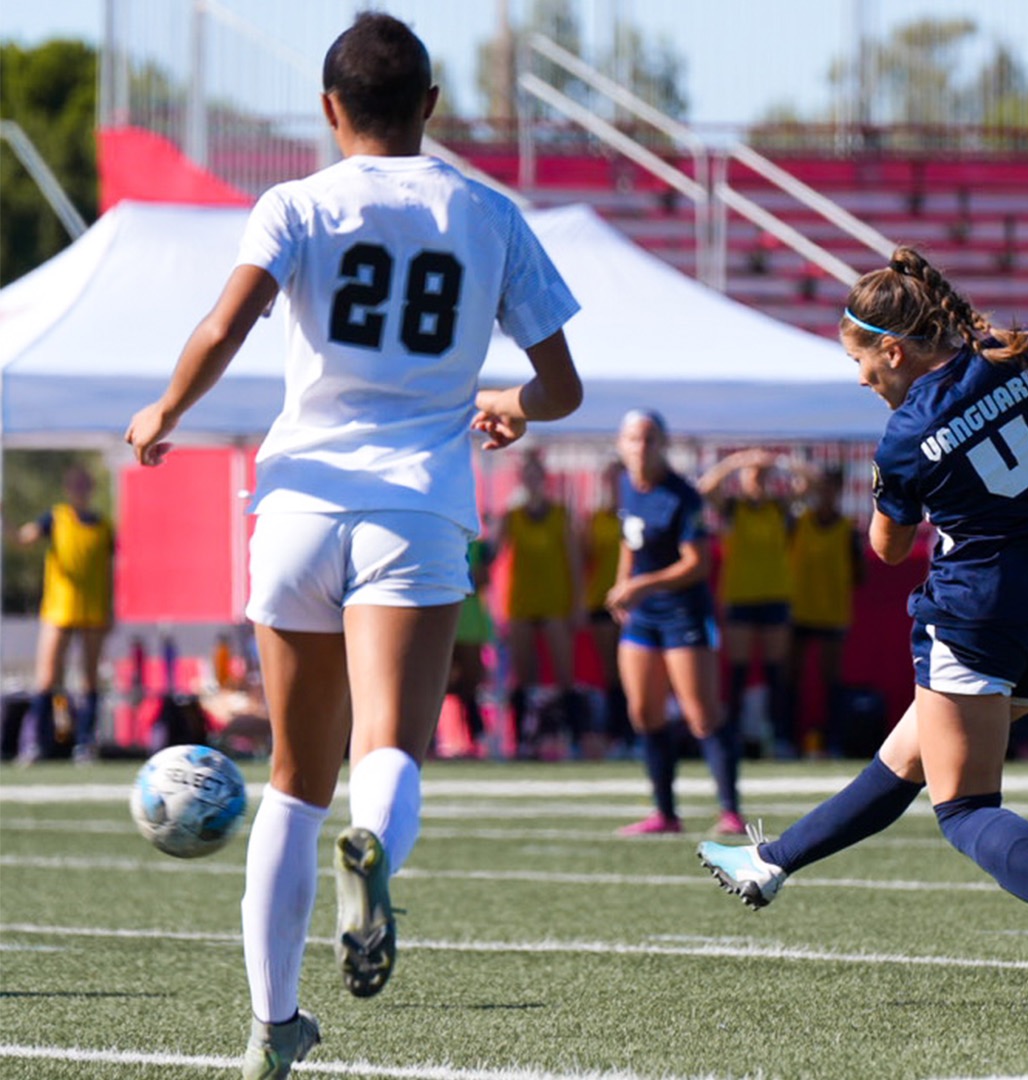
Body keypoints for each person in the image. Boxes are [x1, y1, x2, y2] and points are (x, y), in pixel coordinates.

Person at [122, 14, 583, 1078]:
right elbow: (562, 384)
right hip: (416, 506)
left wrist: (165, 410)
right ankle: (371, 849)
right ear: (432, 106)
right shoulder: (487, 211)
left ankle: (272, 1026)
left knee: (293, 777)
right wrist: (512, 404)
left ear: (329, 108)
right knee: (388, 750)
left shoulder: (295, 203)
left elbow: (225, 326)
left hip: (298, 505)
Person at [698, 247, 1028, 1011]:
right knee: (908, 756)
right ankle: (770, 862)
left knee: (963, 809)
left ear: (894, 350)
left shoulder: (907, 431)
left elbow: (887, 550)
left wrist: (897, 480)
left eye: (860, 361)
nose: (861, 378)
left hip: (974, 618)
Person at [607, 410, 746, 837]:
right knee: (644, 712)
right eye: (633, 439)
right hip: (643, 615)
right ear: (620, 445)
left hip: (683, 613)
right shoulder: (625, 485)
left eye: (649, 439)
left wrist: (641, 585)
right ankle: (665, 813)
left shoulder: (683, 495)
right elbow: (629, 540)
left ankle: (730, 811)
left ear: (664, 445)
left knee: (702, 714)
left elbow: (697, 563)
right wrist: (622, 584)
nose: (641, 447)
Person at [699, 448, 799, 758]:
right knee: (739, 671)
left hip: (775, 594)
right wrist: (736, 462)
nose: (756, 478)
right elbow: (705, 489)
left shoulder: (779, 507)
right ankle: (734, 736)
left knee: (775, 671)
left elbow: (813, 484)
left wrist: (779, 463)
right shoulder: (733, 507)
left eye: (760, 475)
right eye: (751, 474)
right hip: (739, 595)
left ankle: (778, 736)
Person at [13, 464, 114, 764]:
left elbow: (110, 571)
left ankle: (85, 743)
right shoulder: (55, 518)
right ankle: (36, 743)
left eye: (85, 484)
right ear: (68, 489)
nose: (80, 490)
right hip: (59, 609)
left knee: (90, 678)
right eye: (75, 485)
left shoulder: (103, 526)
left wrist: (111, 609)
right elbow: (22, 539)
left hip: (93, 610)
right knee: (47, 678)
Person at [496, 451, 586, 758]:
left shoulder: (561, 514)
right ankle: (523, 740)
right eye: (527, 475)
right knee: (523, 676)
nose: (532, 481)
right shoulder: (512, 516)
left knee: (564, 674)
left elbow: (574, 560)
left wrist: (577, 602)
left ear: (544, 479)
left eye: (536, 475)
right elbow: (495, 553)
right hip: (521, 601)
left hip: (554, 600)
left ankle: (574, 737)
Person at [785, 463, 863, 758]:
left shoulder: (847, 529)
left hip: (832, 613)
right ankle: (787, 740)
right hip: (799, 610)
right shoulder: (798, 523)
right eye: (822, 488)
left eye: (832, 487)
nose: (826, 494)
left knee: (831, 679)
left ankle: (834, 741)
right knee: (792, 677)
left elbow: (859, 574)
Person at [581, 460, 632, 756]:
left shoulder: (638, 515)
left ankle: (635, 732)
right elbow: (584, 558)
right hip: (602, 600)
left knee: (633, 668)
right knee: (612, 671)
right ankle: (617, 734)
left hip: (634, 602)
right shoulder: (595, 519)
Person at [446, 536, 497, 757]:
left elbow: (482, 579)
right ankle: (432, 740)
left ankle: (477, 737)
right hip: (442, 622)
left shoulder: (476, 547)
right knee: (439, 682)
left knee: (470, 682)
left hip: (470, 623)